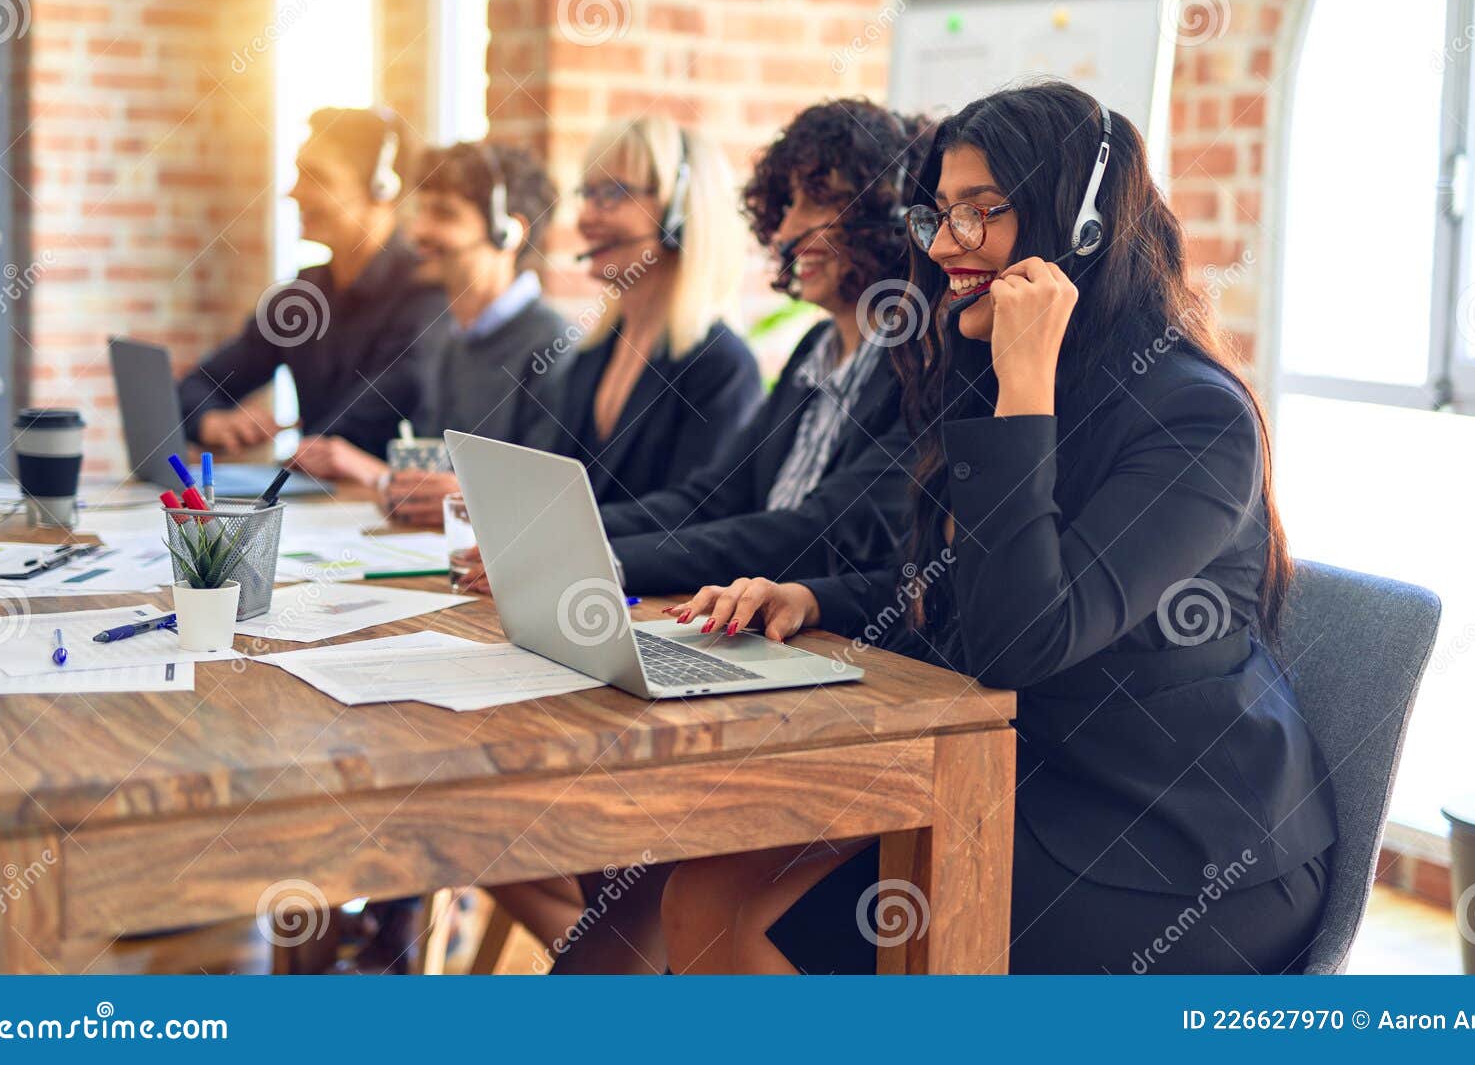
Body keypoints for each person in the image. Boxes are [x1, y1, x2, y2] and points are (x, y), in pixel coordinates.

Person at [660, 81, 1339, 975]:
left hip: (1179, 845)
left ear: (1082, 229)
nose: (946, 246)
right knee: (702, 892)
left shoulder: (1195, 419)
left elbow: (1020, 637)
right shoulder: (1016, 376)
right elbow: (963, 582)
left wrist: (1024, 389)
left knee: (755, 930)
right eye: (941, 214)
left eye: (984, 212)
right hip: (1028, 780)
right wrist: (805, 596)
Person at [472, 102, 935, 973]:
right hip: (765, 660)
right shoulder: (811, 355)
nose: (790, 229)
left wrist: (603, 554)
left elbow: (811, 533)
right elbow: (712, 498)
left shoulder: (917, 365)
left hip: (849, 686)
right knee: (583, 840)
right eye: (786, 205)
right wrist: (561, 535)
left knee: (625, 854)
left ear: (884, 213)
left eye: (817, 204)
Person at [295, 140, 571, 509]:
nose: (417, 232)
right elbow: (441, 481)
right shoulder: (447, 337)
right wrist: (378, 476)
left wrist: (452, 497)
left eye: (444, 214)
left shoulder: (555, 346)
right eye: (421, 212)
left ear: (508, 231)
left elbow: (548, 502)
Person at [179, 108, 443, 469]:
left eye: (315, 177)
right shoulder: (303, 294)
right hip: (313, 504)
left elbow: (355, 428)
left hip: (383, 512)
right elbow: (196, 385)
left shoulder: (427, 295)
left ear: (381, 188)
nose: (293, 193)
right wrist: (213, 422)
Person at [525, 115, 760, 506]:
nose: (585, 218)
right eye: (587, 193)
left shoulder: (722, 369)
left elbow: (691, 525)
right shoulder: (592, 355)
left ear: (679, 213)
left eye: (613, 193)